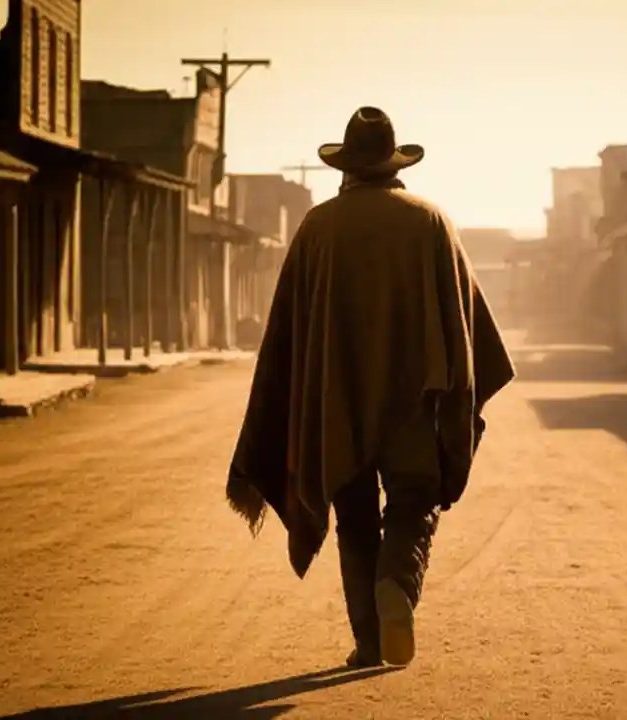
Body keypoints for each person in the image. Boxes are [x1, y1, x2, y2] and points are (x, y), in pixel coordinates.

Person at [226, 107, 515, 668]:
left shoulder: (317, 225)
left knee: (354, 515)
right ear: (393, 164)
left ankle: (368, 641)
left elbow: (286, 335)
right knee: (413, 501)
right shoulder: (430, 219)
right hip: (415, 404)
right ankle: (398, 586)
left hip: (339, 405)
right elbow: (466, 324)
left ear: (347, 168)